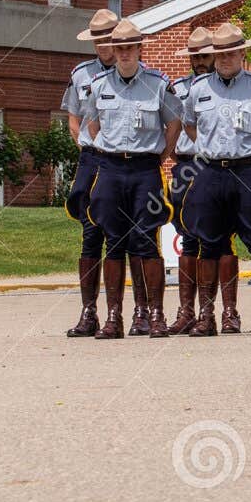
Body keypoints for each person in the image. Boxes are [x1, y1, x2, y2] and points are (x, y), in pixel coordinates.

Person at [178, 23, 251, 334]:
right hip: (211, 171)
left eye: (231, 52)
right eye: (220, 53)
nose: (225, 58)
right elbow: (189, 126)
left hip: (249, 172)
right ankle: (210, 316)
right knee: (209, 243)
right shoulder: (198, 90)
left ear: (242, 53)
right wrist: (210, 148)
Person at [80, 20, 182, 339]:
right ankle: (113, 318)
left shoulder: (158, 83)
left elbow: (174, 123)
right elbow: (92, 125)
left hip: (144, 171)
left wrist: (158, 156)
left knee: (146, 240)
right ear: (113, 49)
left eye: (130, 47)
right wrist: (110, 150)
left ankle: (155, 316)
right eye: (119, 47)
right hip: (110, 170)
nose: (124, 53)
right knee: (113, 241)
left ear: (139, 48)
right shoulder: (98, 84)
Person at [62, 8, 120, 338]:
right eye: (97, 39)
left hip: (122, 163)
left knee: (122, 235)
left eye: (107, 38)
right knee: (90, 234)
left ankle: (128, 313)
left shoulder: (136, 74)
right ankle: (89, 313)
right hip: (92, 159)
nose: (102, 45)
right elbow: (74, 121)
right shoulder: (81, 74)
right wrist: (88, 150)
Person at [166, 27, 216, 335]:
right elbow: (168, 125)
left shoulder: (223, 87)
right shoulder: (176, 88)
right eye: (195, 56)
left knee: (218, 240)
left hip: (214, 166)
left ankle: (219, 313)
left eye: (205, 55)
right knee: (187, 239)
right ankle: (186, 312)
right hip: (186, 167)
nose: (200, 61)